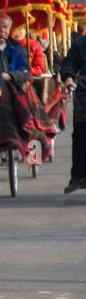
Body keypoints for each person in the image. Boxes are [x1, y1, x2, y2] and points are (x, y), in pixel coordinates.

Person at [60, 26, 86, 192]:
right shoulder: (80, 43)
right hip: (84, 91)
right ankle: (77, 176)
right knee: (81, 133)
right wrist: (68, 77)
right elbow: (69, 62)